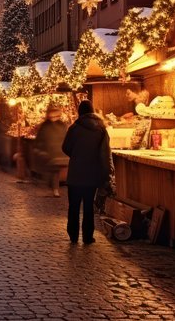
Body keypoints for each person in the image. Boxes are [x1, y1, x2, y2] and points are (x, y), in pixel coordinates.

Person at [62, 100, 112, 244]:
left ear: (80, 112)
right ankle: (88, 236)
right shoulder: (101, 129)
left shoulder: (74, 128)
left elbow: (65, 147)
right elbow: (105, 153)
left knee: (74, 206)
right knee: (89, 206)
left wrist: (76, 155)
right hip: (92, 174)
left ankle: (73, 235)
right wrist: (106, 174)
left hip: (75, 175)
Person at [33, 104, 69, 197]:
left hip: (53, 153)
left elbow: (40, 138)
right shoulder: (61, 125)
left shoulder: (46, 125)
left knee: (54, 171)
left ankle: (54, 188)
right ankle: (54, 188)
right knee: (53, 171)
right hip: (54, 153)